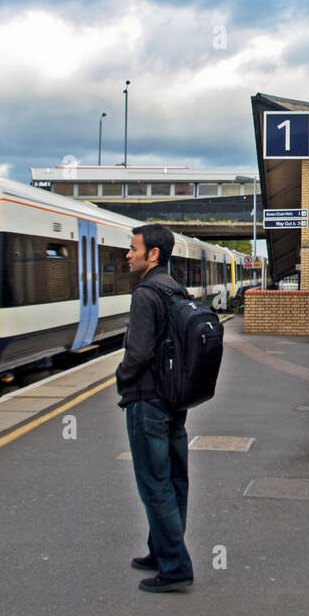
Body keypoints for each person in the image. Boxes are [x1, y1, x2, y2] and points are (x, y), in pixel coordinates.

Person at [116, 223, 194, 593]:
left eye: (133, 248)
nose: (127, 254)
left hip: (148, 402)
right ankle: (160, 550)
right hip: (175, 400)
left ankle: (175, 566)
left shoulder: (146, 294)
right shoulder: (175, 289)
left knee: (155, 485)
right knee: (175, 481)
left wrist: (122, 378)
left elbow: (139, 353)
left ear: (153, 254)